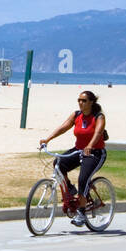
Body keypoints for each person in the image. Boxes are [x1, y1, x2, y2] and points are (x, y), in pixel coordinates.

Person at [39, 90, 107, 228]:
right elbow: (63, 127)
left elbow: (98, 132)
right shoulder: (77, 115)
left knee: (83, 179)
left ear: (91, 102)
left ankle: (81, 213)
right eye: (79, 100)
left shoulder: (98, 116)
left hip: (95, 153)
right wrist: (48, 139)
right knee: (58, 163)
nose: (81, 103)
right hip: (79, 150)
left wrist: (90, 145)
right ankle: (70, 188)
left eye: (84, 101)